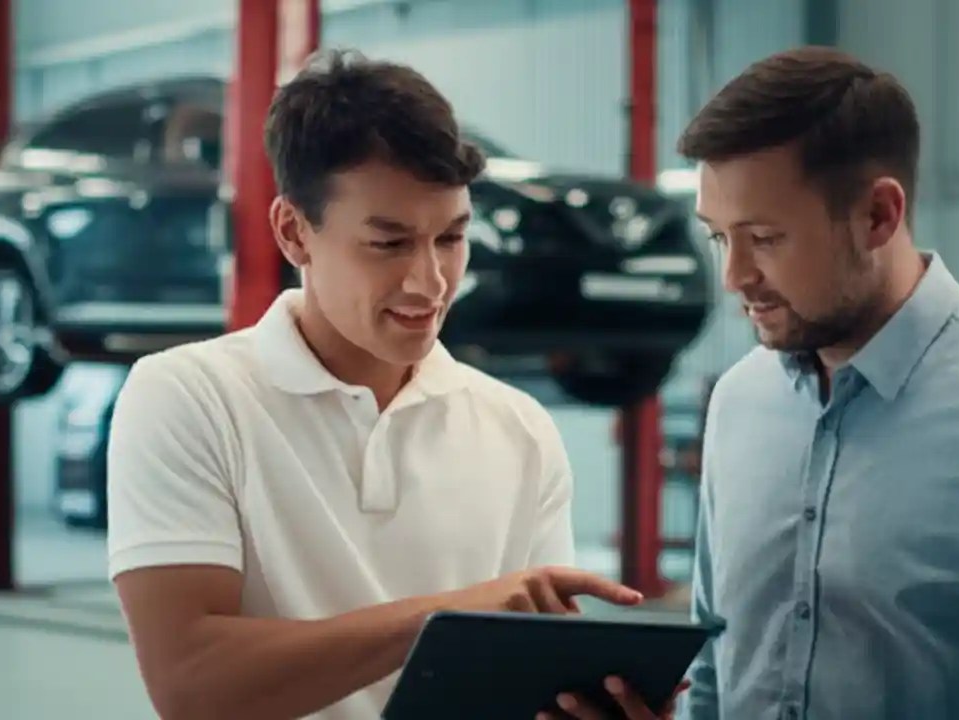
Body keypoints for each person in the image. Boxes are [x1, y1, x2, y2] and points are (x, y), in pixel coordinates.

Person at [106, 49, 678, 720]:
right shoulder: (188, 398)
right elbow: (192, 685)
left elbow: (526, 689)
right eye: (390, 244)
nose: (430, 282)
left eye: (451, 239)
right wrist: (448, 618)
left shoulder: (519, 429)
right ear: (294, 232)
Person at [674, 46, 959, 719]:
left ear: (878, 215)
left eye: (765, 238)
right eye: (719, 238)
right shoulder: (738, 402)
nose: (734, 278)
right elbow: (714, 676)